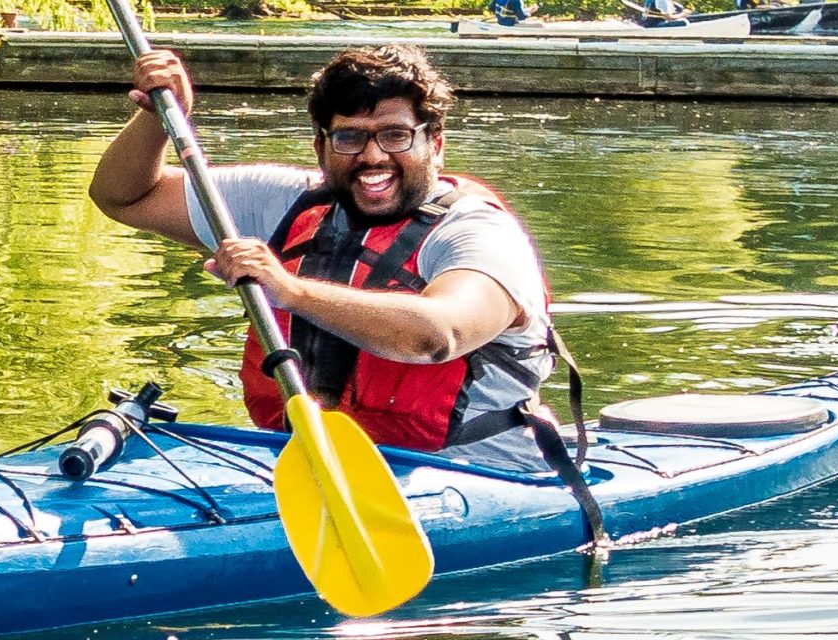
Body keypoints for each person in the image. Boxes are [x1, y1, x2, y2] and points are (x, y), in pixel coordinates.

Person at [87, 44, 585, 484]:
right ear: (321, 147)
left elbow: (439, 336)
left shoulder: (478, 234)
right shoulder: (287, 202)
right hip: (311, 468)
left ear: (434, 143)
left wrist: (291, 290)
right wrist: (156, 119)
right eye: (349, 138)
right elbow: (125, 197)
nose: (372, 157)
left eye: (395, 136)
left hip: (475, 476)